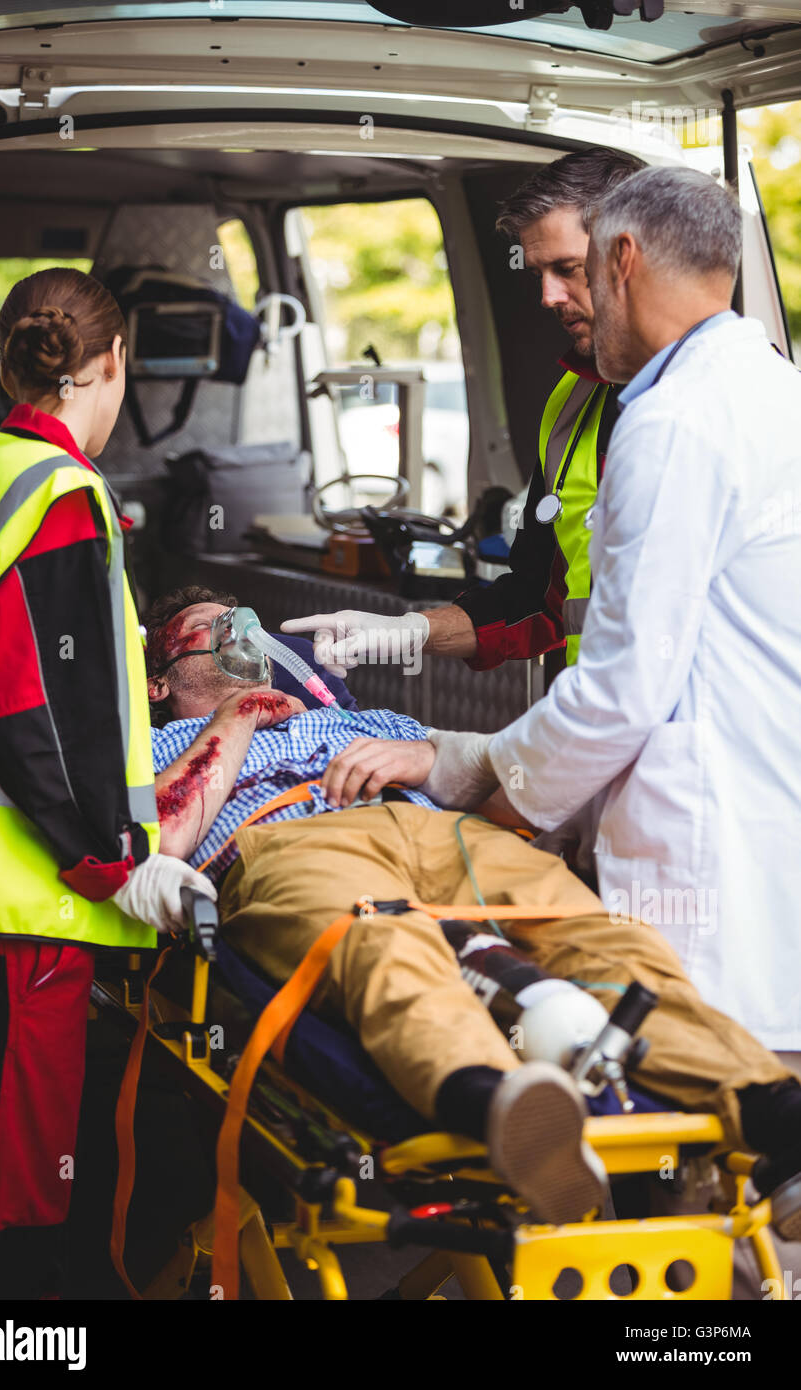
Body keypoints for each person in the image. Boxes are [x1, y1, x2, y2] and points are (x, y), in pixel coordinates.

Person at [144, 586, 801, 1237]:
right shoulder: (154, 749)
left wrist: (428, 751)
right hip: (289, 844)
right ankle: (492, 1101)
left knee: (593, 932)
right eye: (211, 625)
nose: (240, 627)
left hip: (437, 832)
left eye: (244, 617)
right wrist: (241, 714)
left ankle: (770, 1108)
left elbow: (498, 768)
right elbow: (166, 836)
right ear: (158, 682)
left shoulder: (368, 720)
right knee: (382, 940)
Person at [355, 166, 801, 1074]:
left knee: (710, 1103)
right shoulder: (769, 391)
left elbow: (621, 693)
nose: (564, 297)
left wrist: (469, 779)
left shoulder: (672, 421)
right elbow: (558, 600)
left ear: (623, 257)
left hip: (709, 870)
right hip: (759, 839)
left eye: (580, 268)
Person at [0, 269, 213, 1298]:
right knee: (12, 1207)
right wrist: (114, 867)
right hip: (21, 917)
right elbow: (30, 715)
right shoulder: (58, 496)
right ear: (110, 365)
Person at [281, 146, 644, 677]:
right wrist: (400, 632)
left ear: (633, 255)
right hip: (591, 737)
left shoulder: (733, 400)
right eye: (539, 272)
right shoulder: (572, 400)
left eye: (567, 269)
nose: (546, 296)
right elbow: (533, 600)